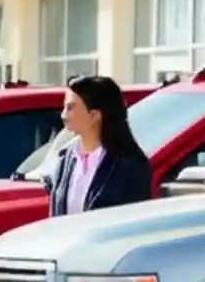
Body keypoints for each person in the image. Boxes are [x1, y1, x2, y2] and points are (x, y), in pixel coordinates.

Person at [46, 75, 152, 215]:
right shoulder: (65, 160)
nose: (63, 115)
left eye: (70, 107)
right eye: (64, 107)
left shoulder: (129, 165)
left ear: (94, 115)